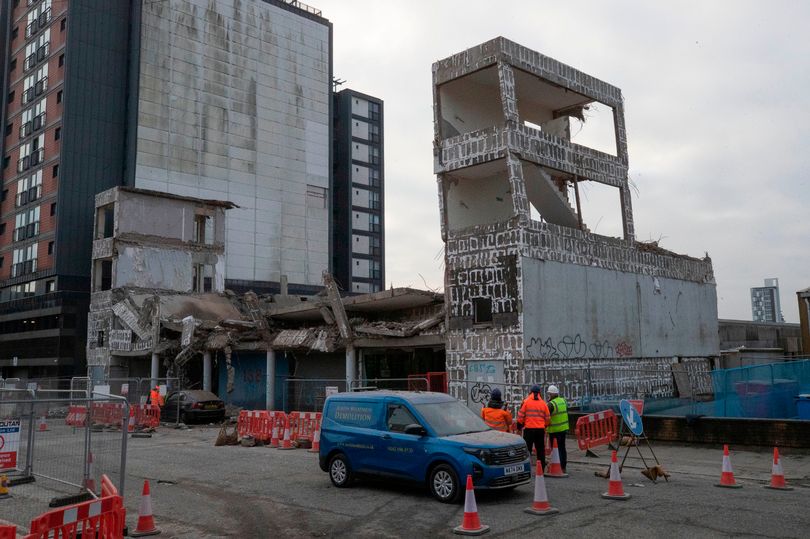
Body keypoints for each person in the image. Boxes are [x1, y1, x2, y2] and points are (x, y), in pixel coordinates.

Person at [517, 385, 550, 469]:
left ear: (531, 392)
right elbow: (547, 418)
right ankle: (541, 469)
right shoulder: (543, 403)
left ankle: (527, 468)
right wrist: (545, 425)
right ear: (539, 393)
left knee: (527, 450)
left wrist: (519, 426)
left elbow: (520, 416)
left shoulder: (526, 402)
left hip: (529, 430)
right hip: (540, 430)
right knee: (540, 450)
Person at [546, 385, 569, 473]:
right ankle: (563, 467)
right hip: (563, 429)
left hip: (554, 431)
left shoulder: (551, 404)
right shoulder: (563, 401)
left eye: (549, 394)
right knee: (562, 448)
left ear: (551, 394)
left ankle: (556, 466)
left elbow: (546, 415)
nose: (549, 396)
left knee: (555, 449)